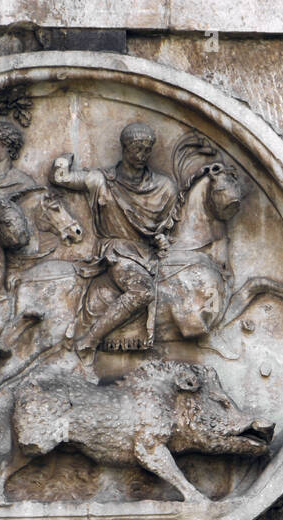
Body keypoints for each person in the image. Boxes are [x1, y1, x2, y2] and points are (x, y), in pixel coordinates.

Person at [51, 122, 179, 355]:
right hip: (117, 252)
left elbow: (165, 227)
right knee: (143, 292)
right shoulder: (101, 180)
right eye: (136, 149)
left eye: (147, 150)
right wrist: (62, 161)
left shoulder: (164, 187)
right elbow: (63, 178)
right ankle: (89, 340)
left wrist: (161, 238)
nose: (142, 155)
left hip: (149, 254)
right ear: (124, 148)